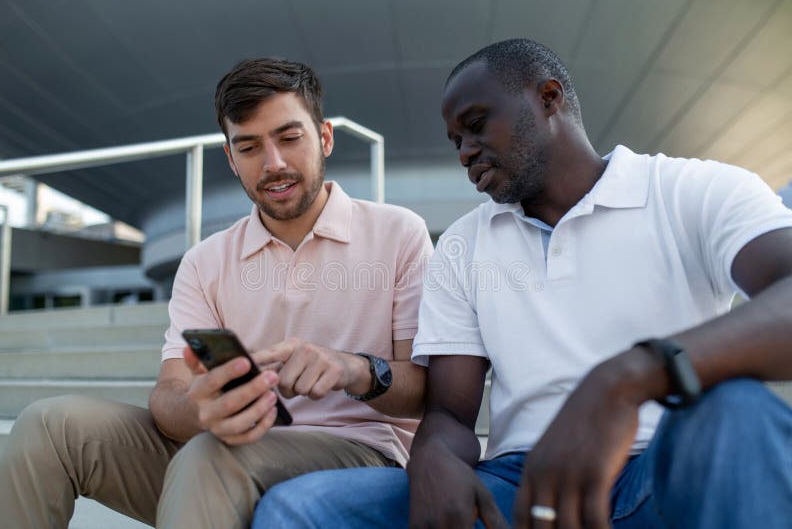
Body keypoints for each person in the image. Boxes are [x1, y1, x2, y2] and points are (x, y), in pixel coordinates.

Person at [253, 38, 792, 529]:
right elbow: (448, 413)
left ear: (549, 98)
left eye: (477, 123)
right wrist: (435, 459)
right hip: (520, 489)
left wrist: (628, 378)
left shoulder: (690, 189)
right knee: (298, 509)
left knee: (736, 410)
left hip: (670, 466)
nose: (464, 150)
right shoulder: (463, 244)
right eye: (455, 139)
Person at [0, 58, 433, 528]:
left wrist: (355, 369)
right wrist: (202, 410)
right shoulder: (206, 261)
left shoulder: (397, 233)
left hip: (361, 455)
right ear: (229, 157)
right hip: (223, 448)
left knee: (210, 459)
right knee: (49, 425)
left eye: (289, 137)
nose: (274, 164)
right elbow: (170, 394)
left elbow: (428, 392)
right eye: (249, 147)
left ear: (324, 136)